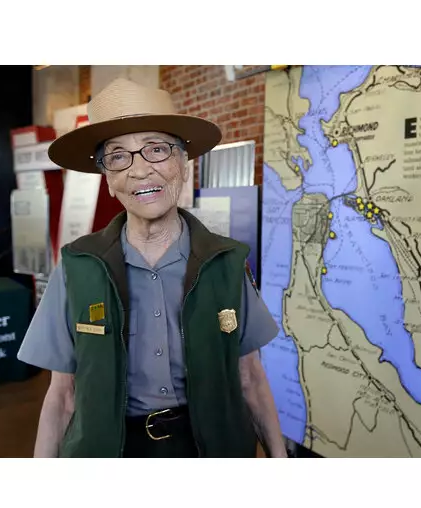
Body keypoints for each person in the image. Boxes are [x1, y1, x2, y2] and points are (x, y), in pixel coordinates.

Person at [17, 78, 287, 458]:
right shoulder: (78, 267)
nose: (140, 170)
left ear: (183, 164)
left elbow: (251, 379)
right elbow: (62, 395)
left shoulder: (225, 263)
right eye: (118, 156)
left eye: (157, 149)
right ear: (108, 181)